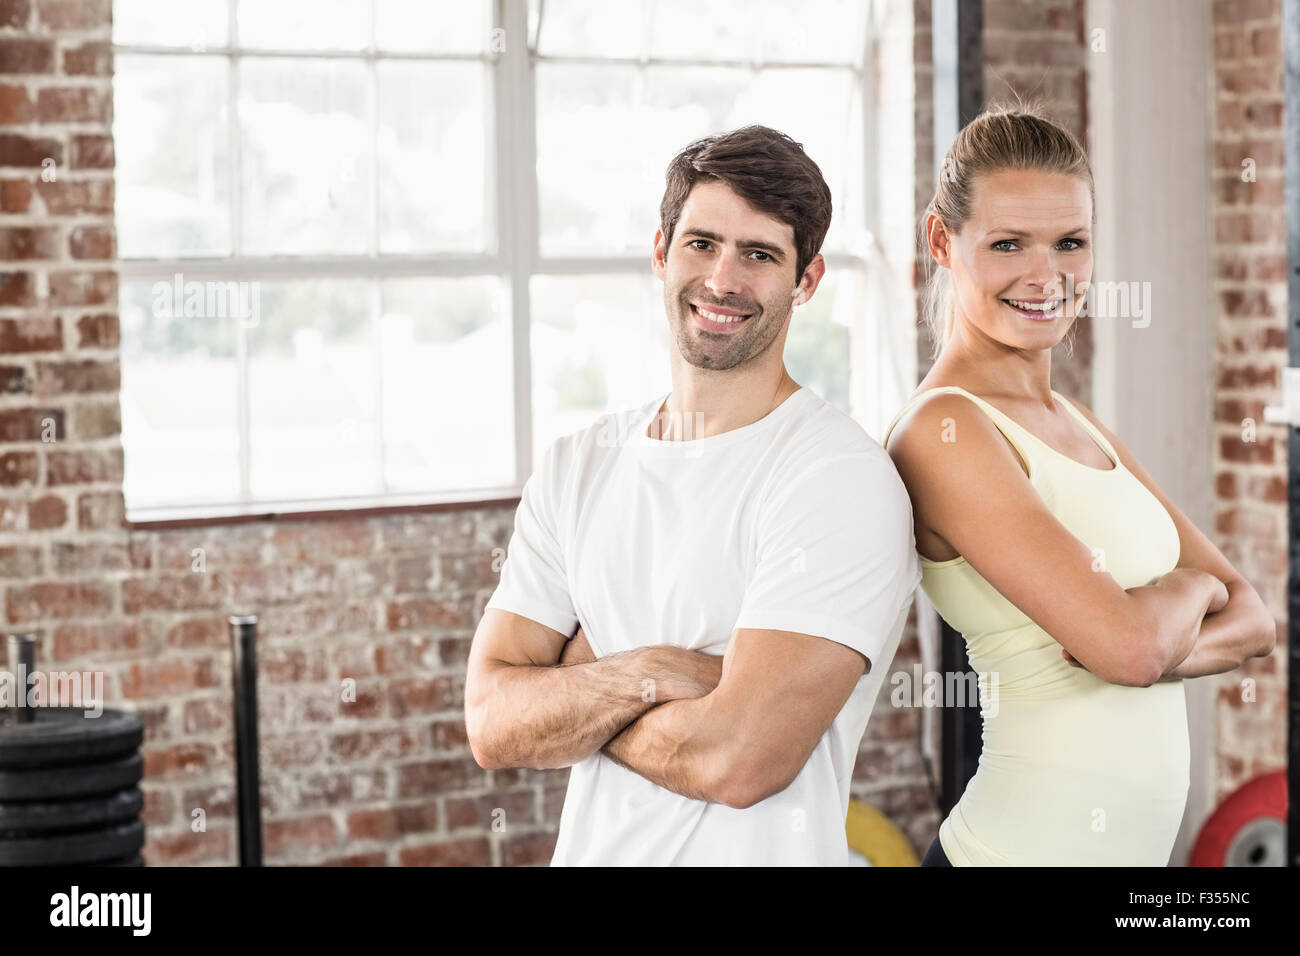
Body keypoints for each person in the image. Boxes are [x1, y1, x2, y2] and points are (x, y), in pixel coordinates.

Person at [465, 125, 922, 865]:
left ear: (806, 281)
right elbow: (491, 722)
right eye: (702, 243)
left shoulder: (838, 478)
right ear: (660, 252)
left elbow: (737, 761)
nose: (722, 279)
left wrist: (579, 680)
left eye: (760, 254)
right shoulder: (577, 467)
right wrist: (663, 673)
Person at [883, 105, 1277, 866]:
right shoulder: (945, 430)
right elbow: (1129, 654)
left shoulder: (1072, 418)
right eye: (1008, 245)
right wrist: (1186, 598)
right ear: (942, 242)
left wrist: (1159, 635)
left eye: (1071, 243)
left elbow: (1254, 618)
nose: (1046, 276)